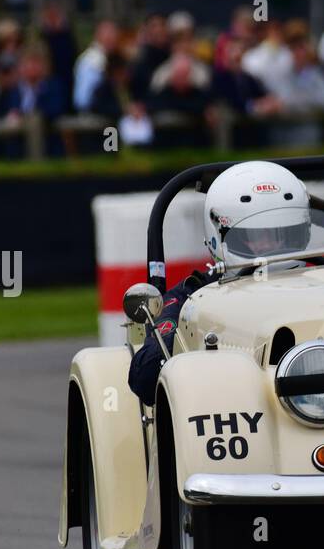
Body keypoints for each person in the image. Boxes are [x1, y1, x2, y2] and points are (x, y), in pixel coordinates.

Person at [128, 161, 313, 406]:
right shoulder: (189, 297)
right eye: (255, 236)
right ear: (219, 236)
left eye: (284, 234)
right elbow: (145, 378)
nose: (271, 245)